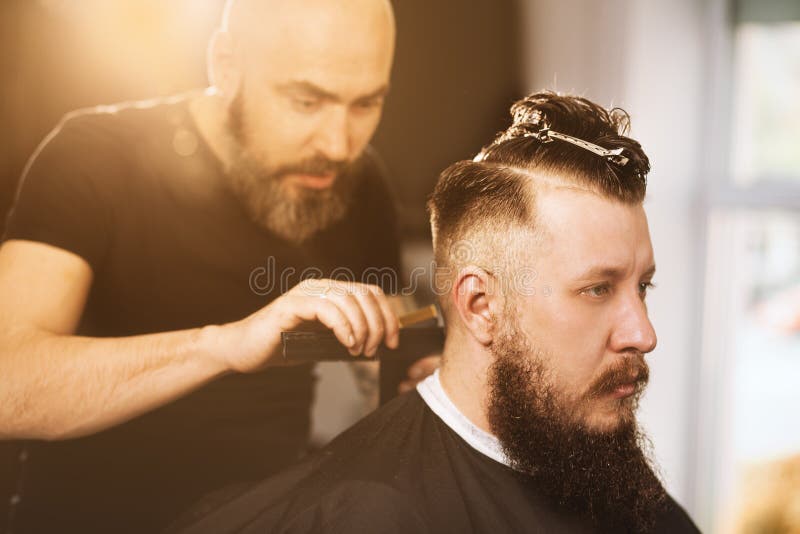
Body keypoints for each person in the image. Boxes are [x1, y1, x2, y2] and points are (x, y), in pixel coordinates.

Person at [170, 92, 701, 533]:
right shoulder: (369, 513)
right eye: (597, 289)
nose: (643, 333)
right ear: (481, 305)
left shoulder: (603, 468)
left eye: (643, 286)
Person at [0, 0, 438, 532]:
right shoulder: (93, 156)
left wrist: (424, 386)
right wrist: (224, 345)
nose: (338, 144)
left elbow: (380, 369)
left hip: (265, 516)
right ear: (226, 66)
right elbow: (8, 385)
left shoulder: (357, 181)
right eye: (305, 101)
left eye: (366, 104)